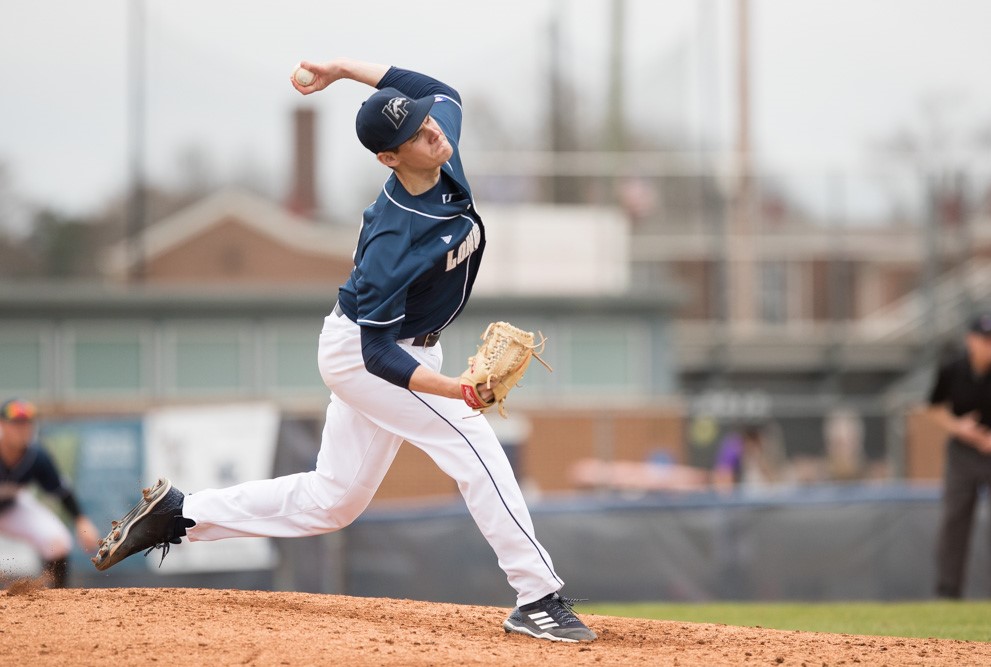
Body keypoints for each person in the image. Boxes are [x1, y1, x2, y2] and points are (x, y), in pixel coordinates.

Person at [92, 58, 596, 643]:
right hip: (365, 354)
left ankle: (179, 515)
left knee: (333, 501)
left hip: (406, 349)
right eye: (417, 135)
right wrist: (456, 390)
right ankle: (536, 595)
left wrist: (342, 70)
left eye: (427, 122)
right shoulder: (392, 238)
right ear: (389, 158)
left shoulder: (439, 142)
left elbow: (440, 91)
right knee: (472, 444)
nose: (434, 133)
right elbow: (375, 354)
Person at [926, 310, 991, 598]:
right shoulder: (952, 369)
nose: (989, 345)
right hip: (963, 453)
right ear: (970, 340)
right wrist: (958, 428)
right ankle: (947, 592)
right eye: (984, 339)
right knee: (955, 519)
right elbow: (933, 408)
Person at [0, 398, 100, 587]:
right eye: (16, 423)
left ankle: (56, 599)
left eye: (27, 423)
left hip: (10, 508)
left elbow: (61, 490)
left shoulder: (36, 456)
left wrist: (81, 520)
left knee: (58, 541)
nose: (23, 429)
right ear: (2, 425)